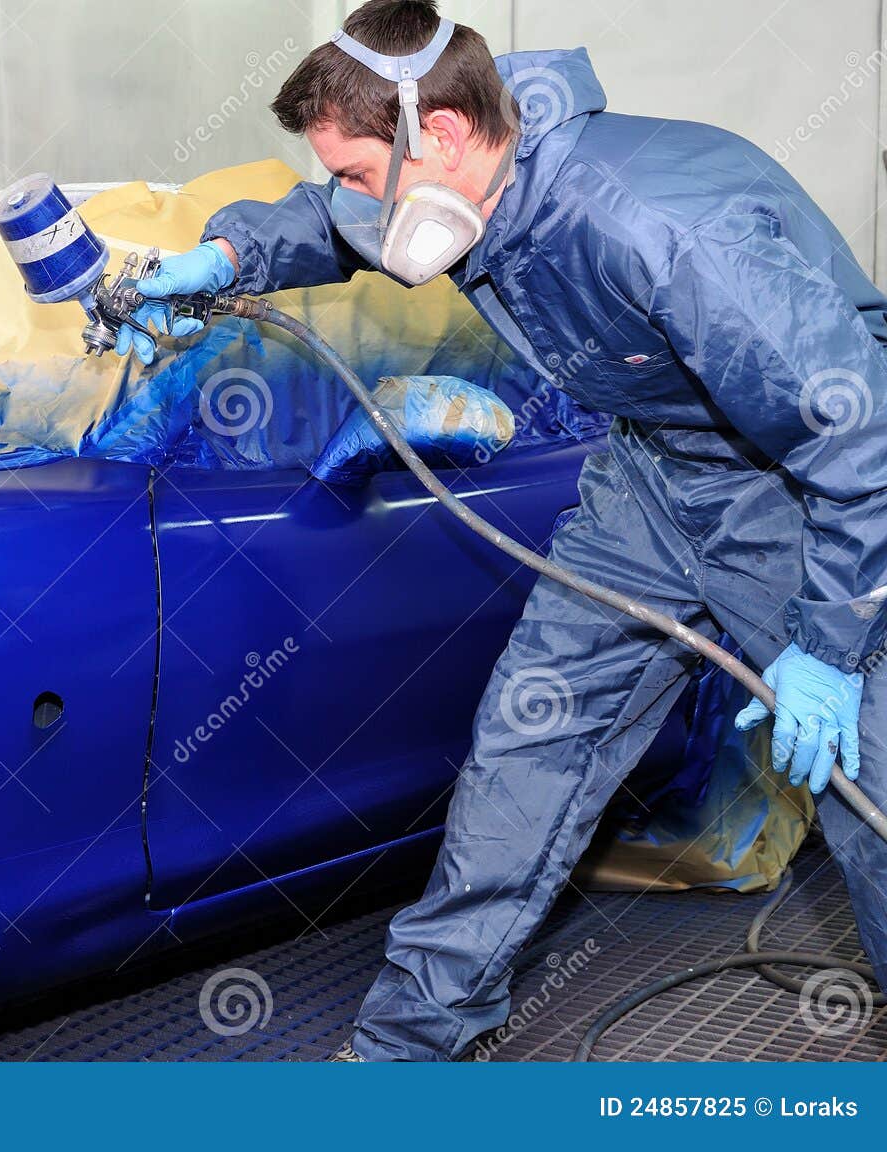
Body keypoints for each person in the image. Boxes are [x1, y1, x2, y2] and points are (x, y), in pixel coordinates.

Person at [132, 0, 887, 1061]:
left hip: (804, 494)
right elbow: (338, 219)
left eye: (355, 171)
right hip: (649, 487)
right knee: (528, 749)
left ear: (435, 134)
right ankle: (411, 1051)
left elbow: (860, 436)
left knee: (868, 787)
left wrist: (832, 640)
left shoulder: (657, 227)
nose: (351, 197)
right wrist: (224, 257)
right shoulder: (470, 175)